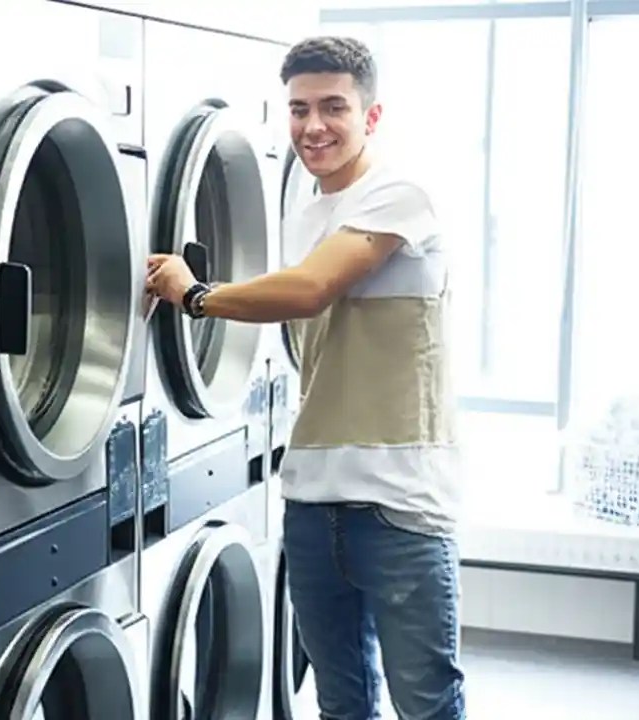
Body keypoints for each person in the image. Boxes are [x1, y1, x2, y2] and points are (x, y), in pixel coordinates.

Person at [145, 36, 465, 720]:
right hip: (314, 497)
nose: (312, 126)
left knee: (427, 704)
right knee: (340, 703)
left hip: (400, 507)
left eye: (332, 108)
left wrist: (193, 293)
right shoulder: (304, 210)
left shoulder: (400, 197)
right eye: (297, 110)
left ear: (370, 117)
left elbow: (309, 291)